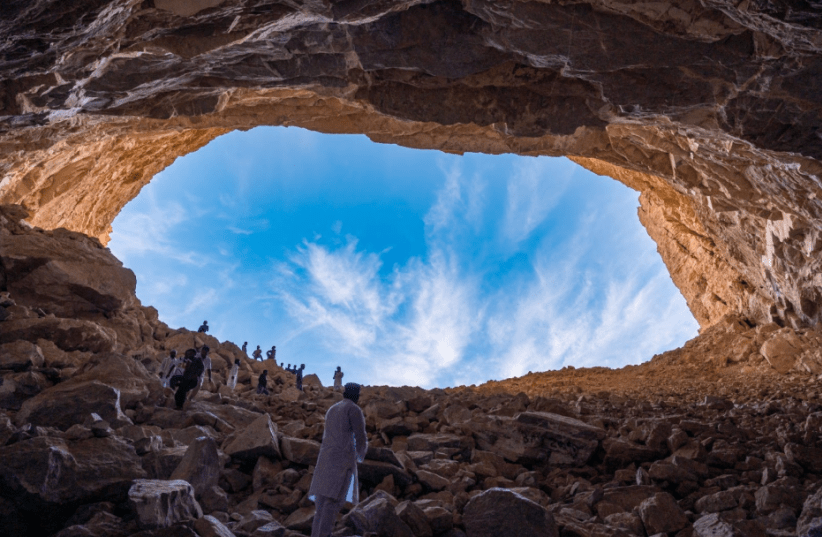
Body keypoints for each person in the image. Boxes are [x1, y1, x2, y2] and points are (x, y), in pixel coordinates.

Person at [308, 383, 367, 537]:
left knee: (321, 503)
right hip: (342, 460)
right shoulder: (354, 409)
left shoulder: (332, 409)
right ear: (355, 395)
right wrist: (360, 457)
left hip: (325, 458)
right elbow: (360, 437)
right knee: (332, 502)